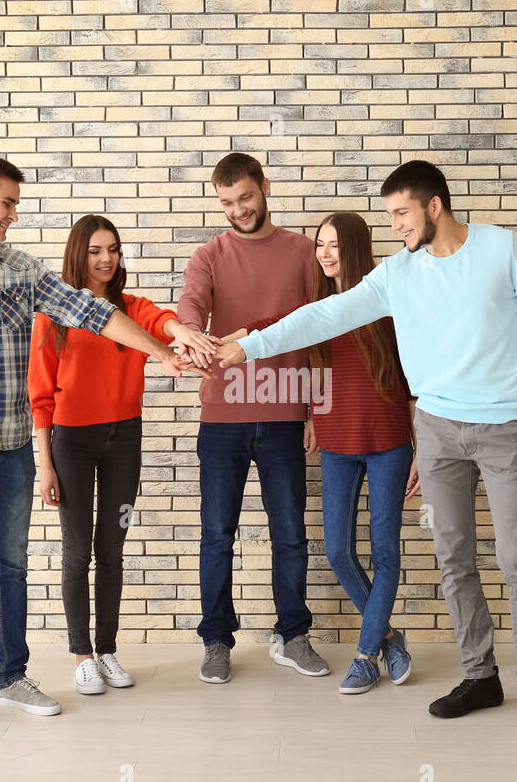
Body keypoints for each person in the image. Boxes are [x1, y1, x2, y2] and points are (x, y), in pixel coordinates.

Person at [216, 160, 517, 731]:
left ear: (434, 206)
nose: (395, 226)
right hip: (438, 430)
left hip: (507, 427)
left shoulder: (502, 249)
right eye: (389, 216)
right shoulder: (397, 274)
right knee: (453, 560)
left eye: (401, 214)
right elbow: (324, 316)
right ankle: (480, 676)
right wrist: (250, 347)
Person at [0, 155, 203, 740]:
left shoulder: (22, 271)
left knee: (11, 566)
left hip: (10, 449)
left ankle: (11, 677)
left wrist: (159, 353)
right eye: (7, 203)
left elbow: (94, 312)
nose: (14, 214)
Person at [208, 213, 420, 694]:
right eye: (320, 245)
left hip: (389, 442)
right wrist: (227, 340)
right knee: (340, 551)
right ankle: (388, 637)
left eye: (334, 246)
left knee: (385, 550)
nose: (324, 254)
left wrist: (424, 448)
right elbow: (275, 326)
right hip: (336, 443)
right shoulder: (318, 309)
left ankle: (366, 656)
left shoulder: (390, 302)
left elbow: (416, 381)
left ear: (357, 248)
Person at [28, 215, 216, 696]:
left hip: (124, 439)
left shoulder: (131, 309)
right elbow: (41, 398)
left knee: (112, 548)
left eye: (112, 249)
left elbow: (161, 322)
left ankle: (108, 650)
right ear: (78, 255)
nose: (106, 258)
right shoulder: (54, 317)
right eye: (95, 251)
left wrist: (182, 337)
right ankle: (82, 656)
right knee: (77, 551)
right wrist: (45, 463)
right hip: (70, 442)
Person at [176, 152, 330, 684]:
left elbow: (320, 330)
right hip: (223, 417)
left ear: (264, 187)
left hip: (286, 409)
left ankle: (293, 634)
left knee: (289, 532)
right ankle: (217, 639)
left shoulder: (306, 252)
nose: (237, 210)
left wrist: (316, 408)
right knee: (217, 533)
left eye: (244, 197)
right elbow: (191, 307)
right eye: (226, 203)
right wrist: (190, 335)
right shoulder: (210, 255)